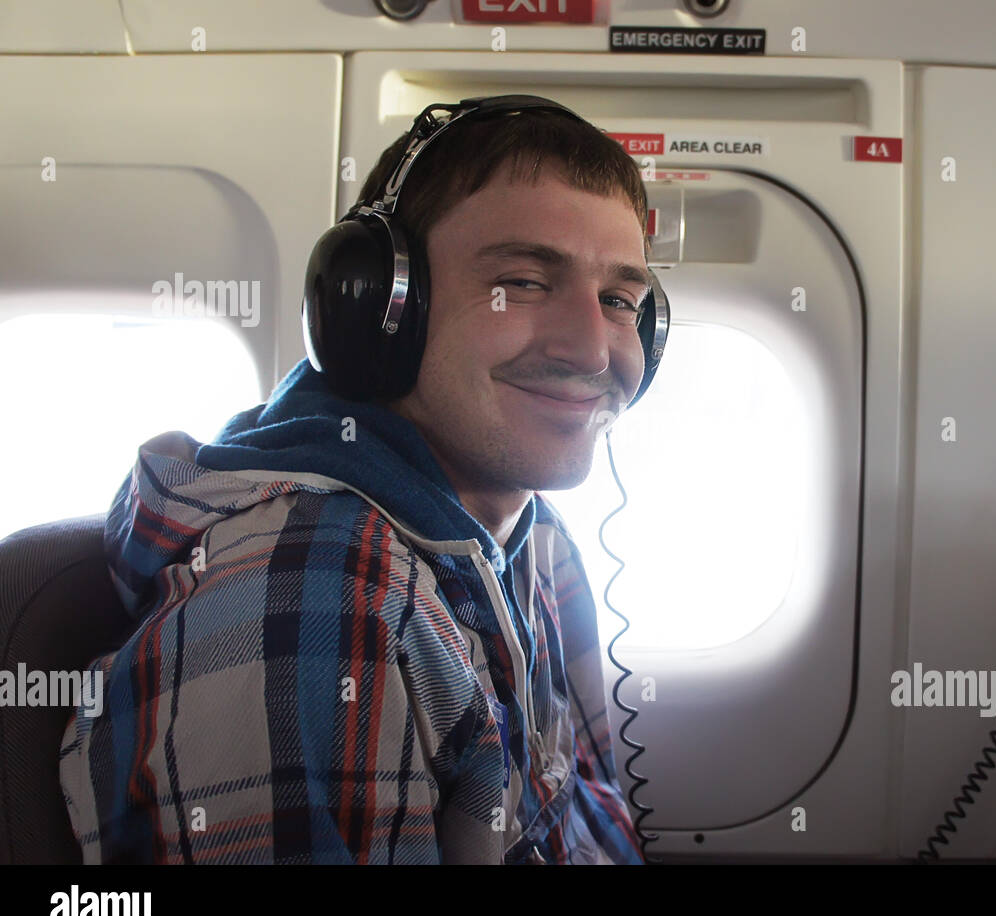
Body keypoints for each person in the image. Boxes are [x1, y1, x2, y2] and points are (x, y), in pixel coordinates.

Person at [58, 98, 655, 864]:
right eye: (524, 282)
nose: (596, 353)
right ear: (379, 308)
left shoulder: (533, 537)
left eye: (619, 301)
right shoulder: (319, 599)